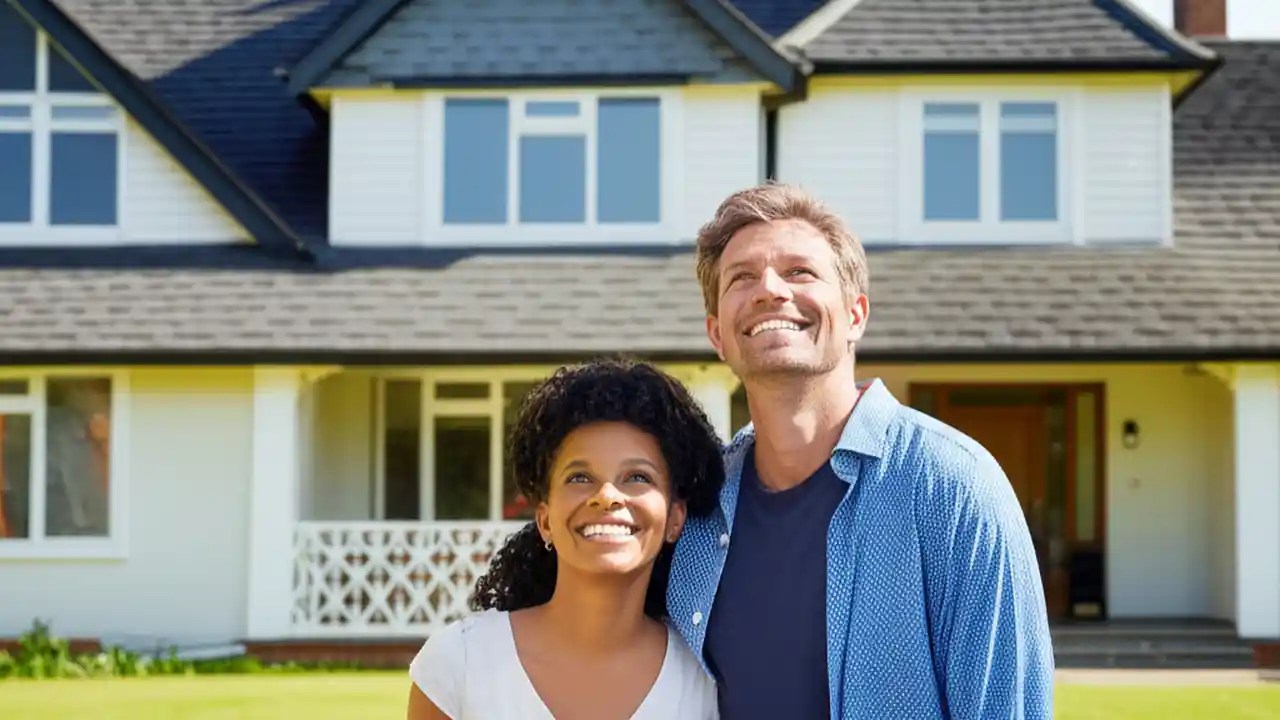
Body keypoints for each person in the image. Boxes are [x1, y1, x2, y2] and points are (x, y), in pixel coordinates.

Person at [666, 183, 1054, 718]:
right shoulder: (699, 509)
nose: (770, 289)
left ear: (855, 315)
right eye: (742, 277)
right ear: (717, 334)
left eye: (800, 271)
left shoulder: (953, 487)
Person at [407, 358, 724, 719]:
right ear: (544, 519)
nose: (606, 495)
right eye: (579, 477)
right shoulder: (458, 664)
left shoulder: (705, 682)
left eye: (637, 477)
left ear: (674, 518)